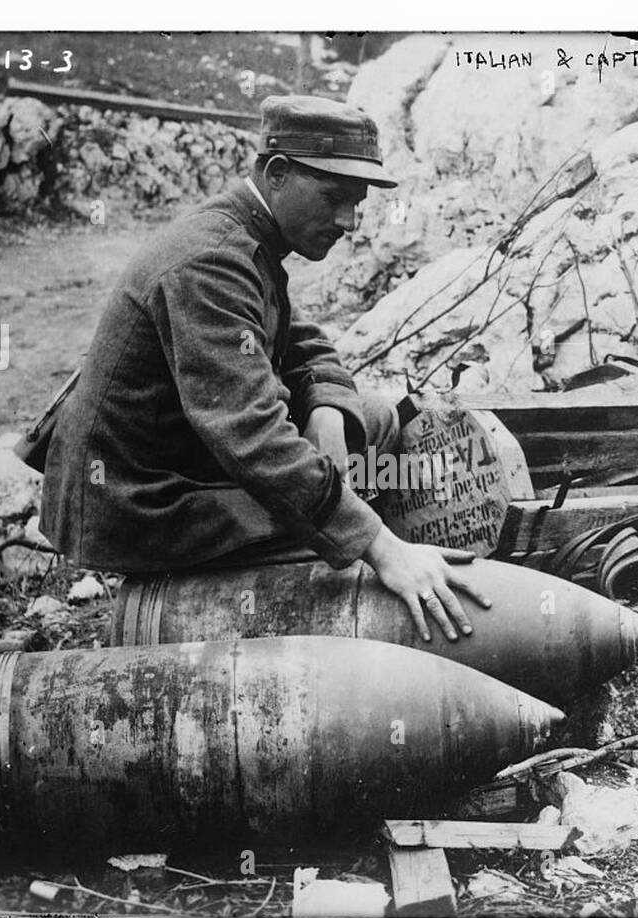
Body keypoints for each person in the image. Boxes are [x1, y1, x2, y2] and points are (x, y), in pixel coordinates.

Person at [40, 95, 488, 641]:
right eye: (334, 198)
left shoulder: (248, 237)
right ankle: (384, 584)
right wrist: (378, 546)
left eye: (358, 204)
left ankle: (381, 541)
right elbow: (253, 437)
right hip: (143, 501)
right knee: (336, 551)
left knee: (371, 419)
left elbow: (300, 341)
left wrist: (327, 407)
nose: (348, 221)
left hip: (181, 456)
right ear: (277, 174)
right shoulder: (211, 261)